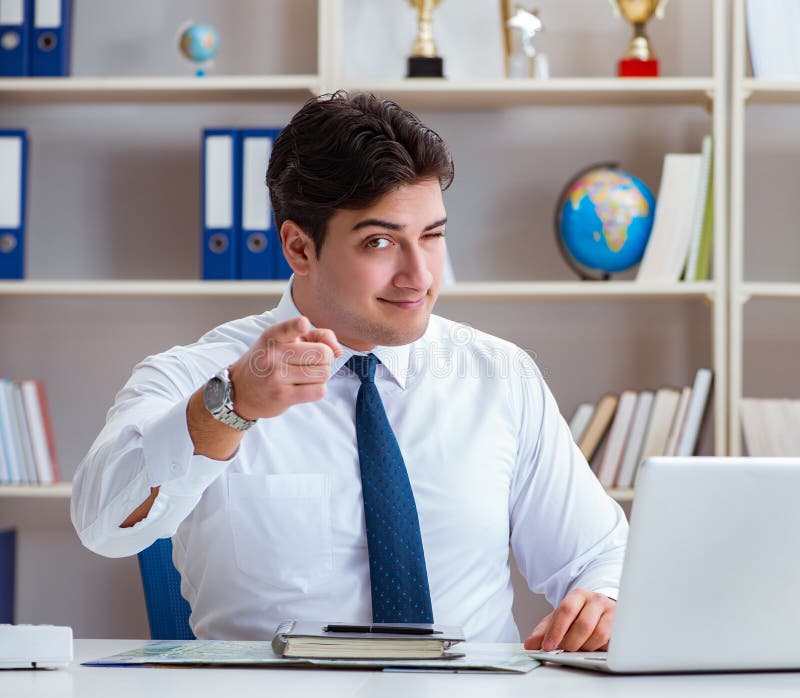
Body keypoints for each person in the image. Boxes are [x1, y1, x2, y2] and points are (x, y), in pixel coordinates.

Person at [71, 91, 627, 650]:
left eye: (432, 236)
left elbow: (597, 556)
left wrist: (602, 600)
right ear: (298, 247)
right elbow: (102, 524)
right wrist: (232, 406)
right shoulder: (198, 376)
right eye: (380, 242)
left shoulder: (501, 376)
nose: (420, 276)